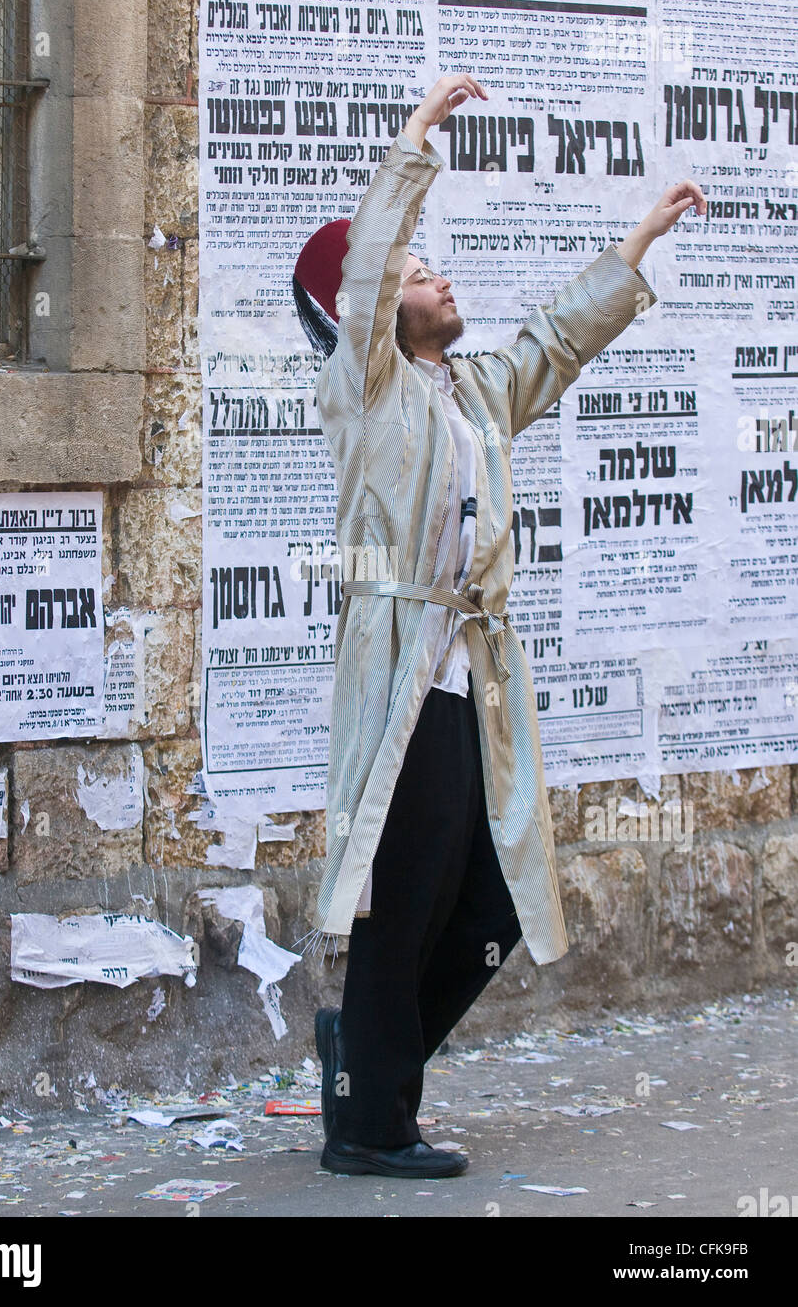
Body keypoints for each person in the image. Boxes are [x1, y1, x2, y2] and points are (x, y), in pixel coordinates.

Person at [292, 74, 707, 1178]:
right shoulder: (364, 388)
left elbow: (555, 346)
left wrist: (634, 250)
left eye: (432, 268)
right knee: (408, 887)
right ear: (369, 312)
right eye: (418, 275)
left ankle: (363, 1067)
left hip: (474, 666)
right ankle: (372, 1127)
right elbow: (370, 271)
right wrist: (413, 146)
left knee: (492, 896)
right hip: (404, 667)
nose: (436, 277)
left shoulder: (471, 391)